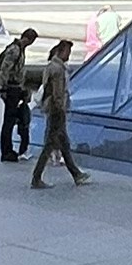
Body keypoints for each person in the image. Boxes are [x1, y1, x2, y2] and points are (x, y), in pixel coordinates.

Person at [30, 35, 86, 190]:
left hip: (53, 109)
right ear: (62, 51)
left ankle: (76, 174)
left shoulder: (51, 66)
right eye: (68, 51)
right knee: (50, 144)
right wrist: (61, 108)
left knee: (64, 144)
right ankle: (36, 177)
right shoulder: (58, 69)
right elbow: (58, 93)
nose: (69, 55)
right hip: (57, 111)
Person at [0, 27, 36, 164]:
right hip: (11, 89)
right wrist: (3, 89)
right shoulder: (15, 50)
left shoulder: (18, 49)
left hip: (14, 88)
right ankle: (7, 151)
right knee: (9, 121)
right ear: (27, 39)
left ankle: (9, 150)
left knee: (11, 120)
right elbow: (5, 70)